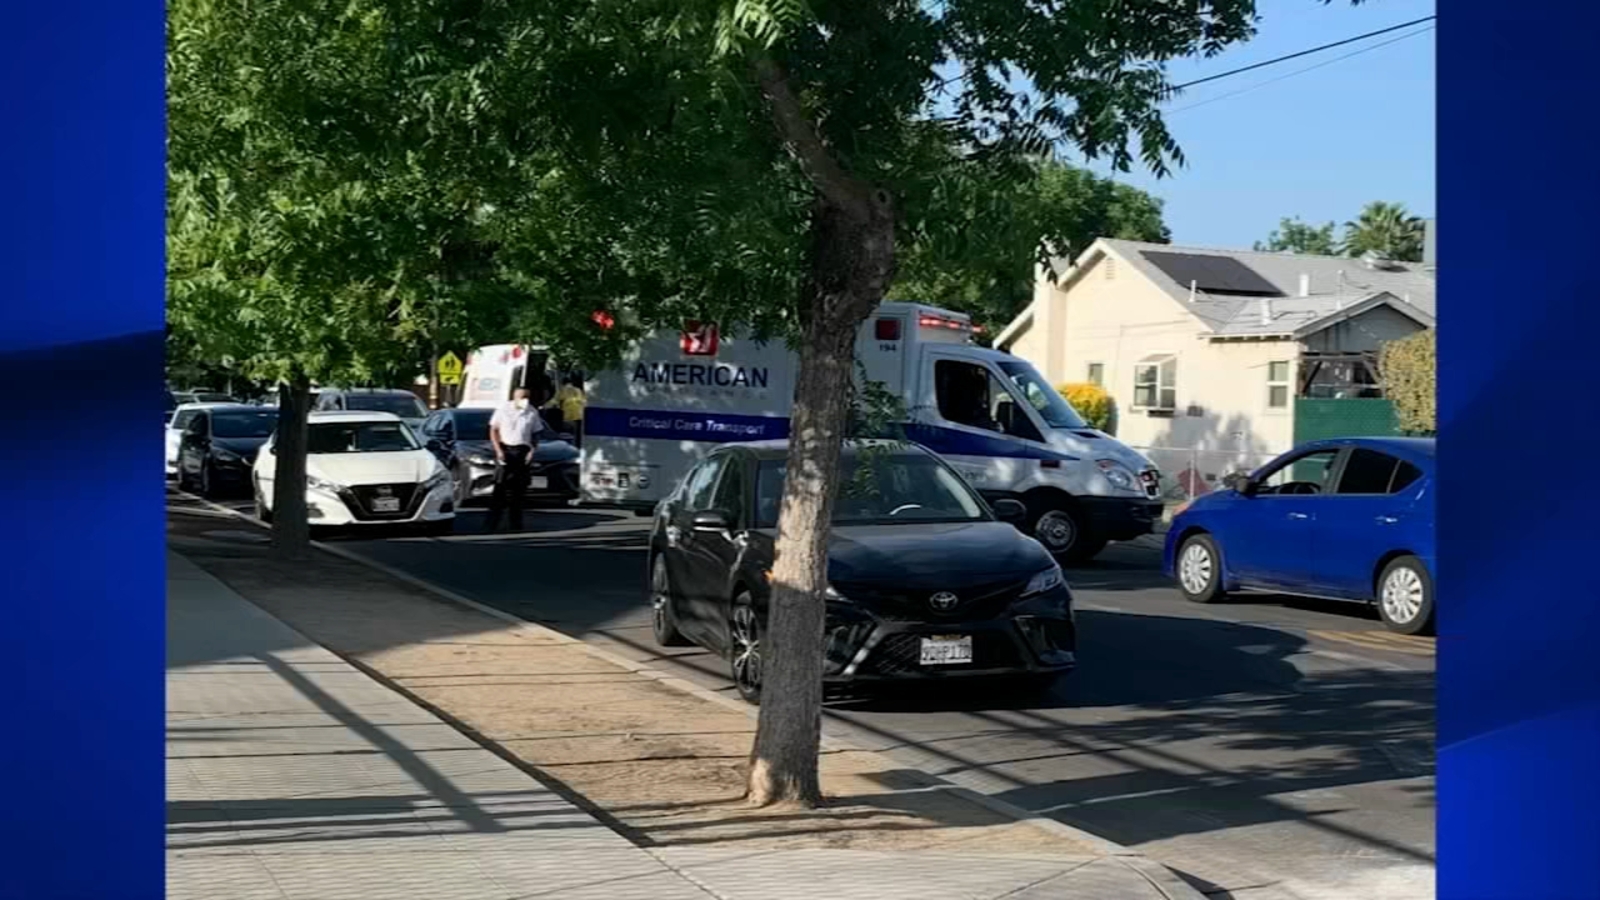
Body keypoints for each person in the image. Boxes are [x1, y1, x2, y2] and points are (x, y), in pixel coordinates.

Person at [486, 386, 542, 532]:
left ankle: (516, 525)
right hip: (505, 450)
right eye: (520, 396)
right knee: (500, 489)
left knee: (519, 491)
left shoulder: (532, 412)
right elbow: (493, 430)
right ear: (514, 397)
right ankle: (492, 524)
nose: (523, 400)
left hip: (522, 451)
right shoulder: (503, 409)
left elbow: (536, 434)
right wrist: (498, 450)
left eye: (526, 397)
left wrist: (532, 451)